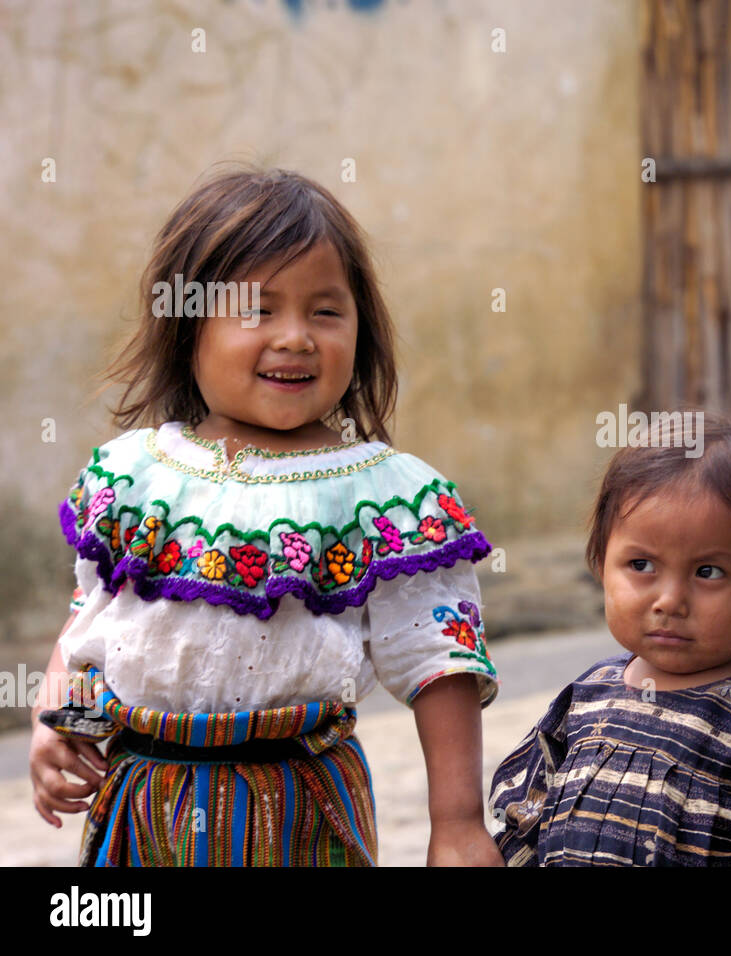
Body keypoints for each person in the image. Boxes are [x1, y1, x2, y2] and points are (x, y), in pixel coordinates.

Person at [29, 165, 502, 866]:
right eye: (258, 309)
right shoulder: (136, 475)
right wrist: (55, 719)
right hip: (142, 806)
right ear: (188, 326)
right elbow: (93, 616)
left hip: (297, 810)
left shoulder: (383, 498)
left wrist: (458, 826)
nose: (295, 337)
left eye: (324, 310)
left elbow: (439, 661)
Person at [490, 415, 731, 865]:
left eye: (708, 572)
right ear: (599, 561)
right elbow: (525, 819)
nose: (670, 601)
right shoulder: (587, 695)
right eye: (641, 565)